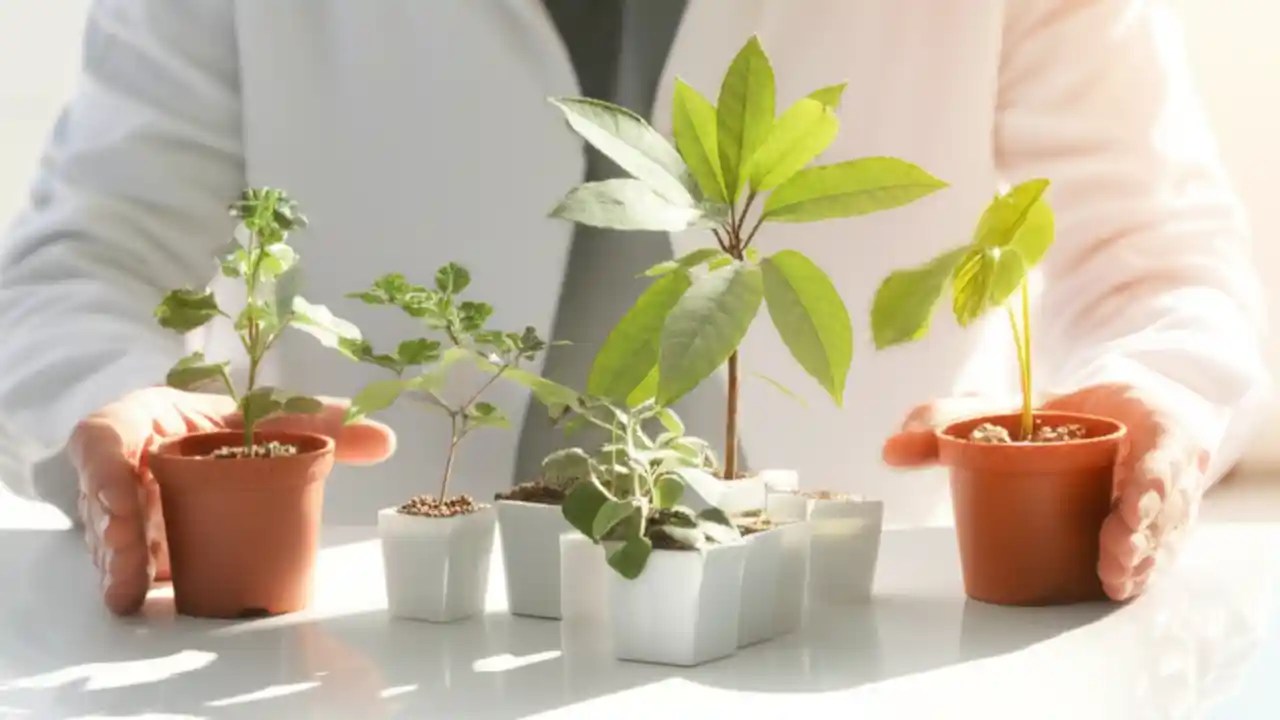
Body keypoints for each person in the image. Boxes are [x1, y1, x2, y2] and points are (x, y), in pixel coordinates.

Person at [0, 0, 1268, 616]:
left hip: (862, 641)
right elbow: (75, 269)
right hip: (361, 651)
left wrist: (1169, 383)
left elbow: (1158, 255)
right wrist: (96, 403)